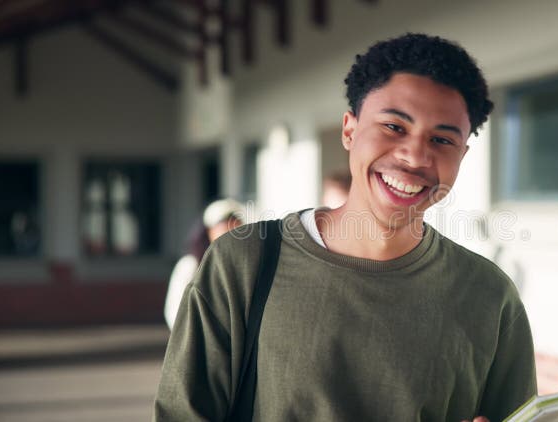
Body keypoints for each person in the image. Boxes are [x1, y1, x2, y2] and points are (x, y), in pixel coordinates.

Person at [154, 33, 537, 422]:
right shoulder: (242, 264)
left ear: (462, 156)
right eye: (394, 127)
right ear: (349, 131)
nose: (415, 156)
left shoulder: (491, 298)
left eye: (441, 139)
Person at [163, 198, 246, 330]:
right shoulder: (190, 265)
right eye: (224, 226)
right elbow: (175, 311)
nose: (231, 231)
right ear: (209, 231)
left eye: (237, 226)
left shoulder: (247, 266)